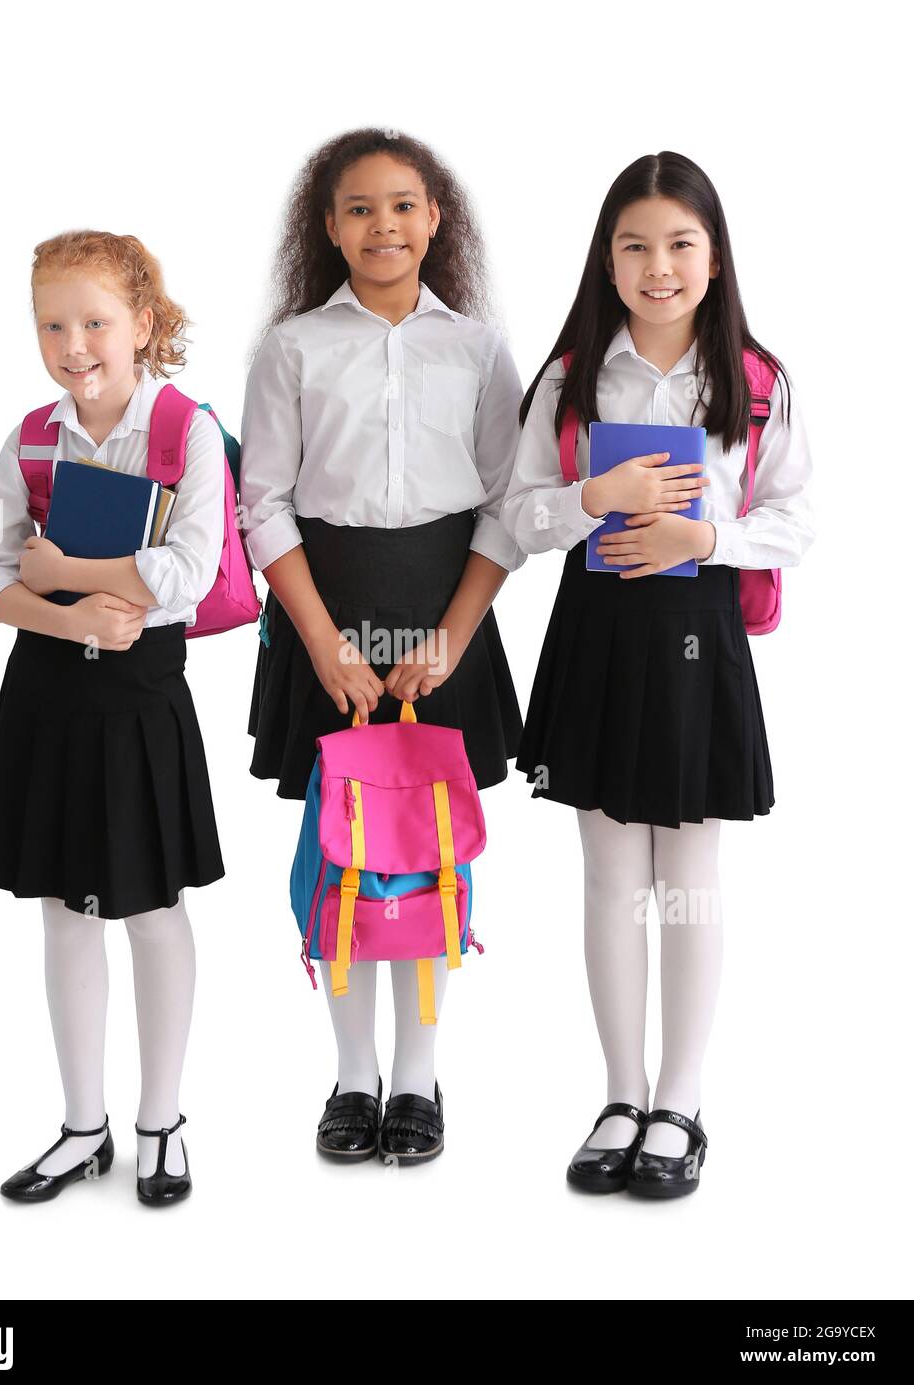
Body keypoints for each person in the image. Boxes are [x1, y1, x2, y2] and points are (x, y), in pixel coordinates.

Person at [501, 151, 815, 1197]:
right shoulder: (572, 377)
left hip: (694, 634)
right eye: (632, 245)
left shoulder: (755, 381)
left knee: (684, 879)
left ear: (715, 258)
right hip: (595, 630)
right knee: (607, 878)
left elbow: (794, 521)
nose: (657, 265)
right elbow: (514, 514)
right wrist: (595, 495)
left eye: (679, 243)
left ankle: (680, 1102)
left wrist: (705, 530)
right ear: (606, 259)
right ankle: (619, 1093)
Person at [240, 128, 525, 1163]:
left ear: (434, 216)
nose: (382, 225)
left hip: (447, 615)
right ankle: (351, 1074)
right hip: (330, 614)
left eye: (401, 204)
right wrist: (321, 643)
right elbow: (261, 503)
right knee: (340, 847)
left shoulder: (480, 348)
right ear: (326, 226)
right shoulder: (293, 347)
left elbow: (509, 504)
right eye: (357, 208)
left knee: (431, 851)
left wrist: (452, 634)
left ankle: (417, 1075)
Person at [0, 230, 226, 1204]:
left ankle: (162, 1122)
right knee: (64, 909)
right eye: (53, 325)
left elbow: (187, 573)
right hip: (48, 690)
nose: (75, 344)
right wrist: (59, 608)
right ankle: (83, 1127)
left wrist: (64, 571)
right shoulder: (33, 435)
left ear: (142, 325)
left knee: (150, 907)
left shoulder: (183, 430)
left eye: (96, 322)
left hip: (140, 695)